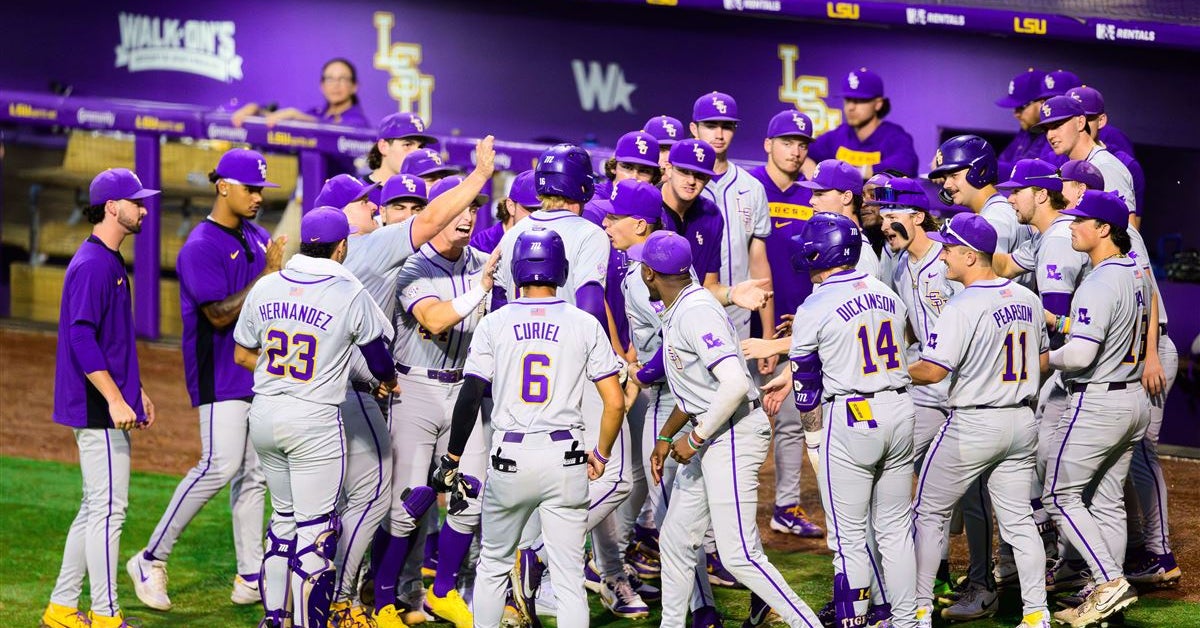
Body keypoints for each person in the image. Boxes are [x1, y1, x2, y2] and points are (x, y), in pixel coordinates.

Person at [314, 142, 496, 626]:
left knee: (460, 497)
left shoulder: (311, 268)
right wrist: (477, 176)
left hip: (446, 393)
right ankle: (369, 599)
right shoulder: (400, 260)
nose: (380, 211)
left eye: (474, 208)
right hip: (396, 391)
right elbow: (434, 319)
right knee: (388, 503)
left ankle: (426, 593)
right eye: (373, 205)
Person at [431, 227, 626, 628]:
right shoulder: (584, 323)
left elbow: (470, 397)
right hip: (566, 458)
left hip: (510, 460)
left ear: (516, 270)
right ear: (562, 269)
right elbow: (615, 401)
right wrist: (602, 453)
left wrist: (452, 457)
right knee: (570, 577)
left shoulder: (495, 323)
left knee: (493, 567)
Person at [492, 144, 650, 620]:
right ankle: (537, 549)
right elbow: (586, 302)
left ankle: (532, 575)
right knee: (617, 477)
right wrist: (610, 366)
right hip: (573, 367)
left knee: (540, 473)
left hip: (518, 367)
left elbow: (500, 309)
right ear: (583, 186)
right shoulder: (587, 234)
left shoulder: (516, 232)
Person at [126, 149, 283, 612]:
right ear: (223, 187)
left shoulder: (256, 236)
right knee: (219, 464)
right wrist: (269, 275)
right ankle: (150, 558)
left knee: (254, 475)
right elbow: (217, 315)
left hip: (256, 373)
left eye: (261, 190)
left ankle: (250, 575)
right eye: (250, 189)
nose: (258, 197)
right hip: (219, 374)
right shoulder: (200, 246)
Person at [645, 230, 823, 628]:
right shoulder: (686, 306)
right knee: (675, 539)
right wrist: (665, 437)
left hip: (732, 432)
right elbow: (698, 390)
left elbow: (735, 385)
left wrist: (692, 438)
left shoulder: (695, 312)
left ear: (647, 273)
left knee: (739, 554)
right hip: (716, 430)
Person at [232, 207, 396, 628]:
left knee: (282, 521)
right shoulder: (347, 291)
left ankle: (274, 618)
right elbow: (379, 359)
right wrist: (388, 379)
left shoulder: (268, 286)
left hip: (264, 415)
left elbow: (245, 347)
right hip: (314, 421)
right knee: (316, 533)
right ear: (342, 246)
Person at [907, 212, 1051, 628]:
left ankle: (916, 610)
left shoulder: (962, 304)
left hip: (973, 424)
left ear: (971, 256)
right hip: (1021, 423)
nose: (943, 257)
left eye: (949, 249)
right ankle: (1037, 613)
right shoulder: (1027, 299)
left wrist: (893, 365)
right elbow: (1041, 362)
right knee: (1019, 521)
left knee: (929, 512)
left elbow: (932, 371)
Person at [43, 168, 159, 628]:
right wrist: (114, 399)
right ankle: (106, 614)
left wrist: (136, 391)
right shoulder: (93, 265)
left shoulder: (107, 260)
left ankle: (61, 607)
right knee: (109, 510)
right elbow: (82, 338)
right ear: (113, 207)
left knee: (95, 507)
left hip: (101, 402)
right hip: (95, 408)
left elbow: (111, 342)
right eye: (137, 202)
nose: (145, 210)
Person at [602, 180, 722, 626]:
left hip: (675, 400)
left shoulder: (642, 275)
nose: (607, 223)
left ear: (638, 224)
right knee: (680, 513)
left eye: (614, 218)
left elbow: (672, 343)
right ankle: (700, 605)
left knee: (673, 513)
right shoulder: (652, 267)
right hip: (688, 396)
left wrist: (640, 373)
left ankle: (701, 608)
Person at [1043, 190, 1152, 627]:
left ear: (1104, 229)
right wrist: (1062, 323)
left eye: (1078, 220)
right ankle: (1106, 597)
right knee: (1106, 500)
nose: (1070, 225)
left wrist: (1045, 358)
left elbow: (1081, 356)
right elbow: (1107, 326)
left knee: (1058, 494)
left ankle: (1109, 582)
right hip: (1131, 400)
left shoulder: (1100, 279)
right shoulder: (1134, 272)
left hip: (1098, 402)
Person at [747, 109, 824, 539]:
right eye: (787, 141)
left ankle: (787, 505)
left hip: (799, 322)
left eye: (802, 144)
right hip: (748, 321)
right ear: (768, 144)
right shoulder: (748, 187)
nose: (796, 151)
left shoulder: (811, 195)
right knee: (736, 420)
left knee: (795, 419)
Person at [690, 92, 775, 347]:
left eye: (727, 126)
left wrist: (768, 334)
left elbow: (758, 261)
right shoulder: (683, 184)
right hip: (687, 310)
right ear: (694, 129)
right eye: (710, 125)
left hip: (739, 312)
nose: (719, 134)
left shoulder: (752, 186)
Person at [806, 68, 919, 178]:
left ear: (878, 104)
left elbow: (908, 164)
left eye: (859, 101)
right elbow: (803, 151)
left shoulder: (893, 136)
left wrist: (863, 172)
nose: (850, 107)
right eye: (848, 100)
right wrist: (807, 165)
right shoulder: (839, 135)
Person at [1036, 96, 1136, 216]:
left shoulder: (1105, 167)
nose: (1050, 135)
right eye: (1046, 129)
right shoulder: (1069, 167)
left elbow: (1128, 230)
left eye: (1057, 125)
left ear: (1080, 122)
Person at [799, 159, 882, 278]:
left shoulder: (859, 253)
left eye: (820, 193)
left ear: (846, 197)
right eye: (813, 193)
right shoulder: (836, 244)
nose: (811, 201)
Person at [232, 58, 370, 129]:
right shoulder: (317, 112)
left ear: (354, 86)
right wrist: (256, 110)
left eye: (343, 79)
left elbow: (332, 130)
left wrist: (296, 116)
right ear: (321, 85)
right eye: (330, 79)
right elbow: (275, 119)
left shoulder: (358, 122)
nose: (335, 85)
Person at [365, 113, 438, 200]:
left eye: (420, 147)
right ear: (383, 147)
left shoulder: (424, 194)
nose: (416, 153)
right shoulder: (357, 194)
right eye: (407, 145)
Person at [995, 68, 1051, 178]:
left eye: (1021, 107)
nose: (1016, 114)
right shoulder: (1027, 130)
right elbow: (1004, 160)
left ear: (1043, 102)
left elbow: (1028, 175)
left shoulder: (1054, 135)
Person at [470, 169, 539, 254]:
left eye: (545, 210)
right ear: (511, 207)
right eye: (532, 210)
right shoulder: (483, 245)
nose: (539, 217)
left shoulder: (553, 242)